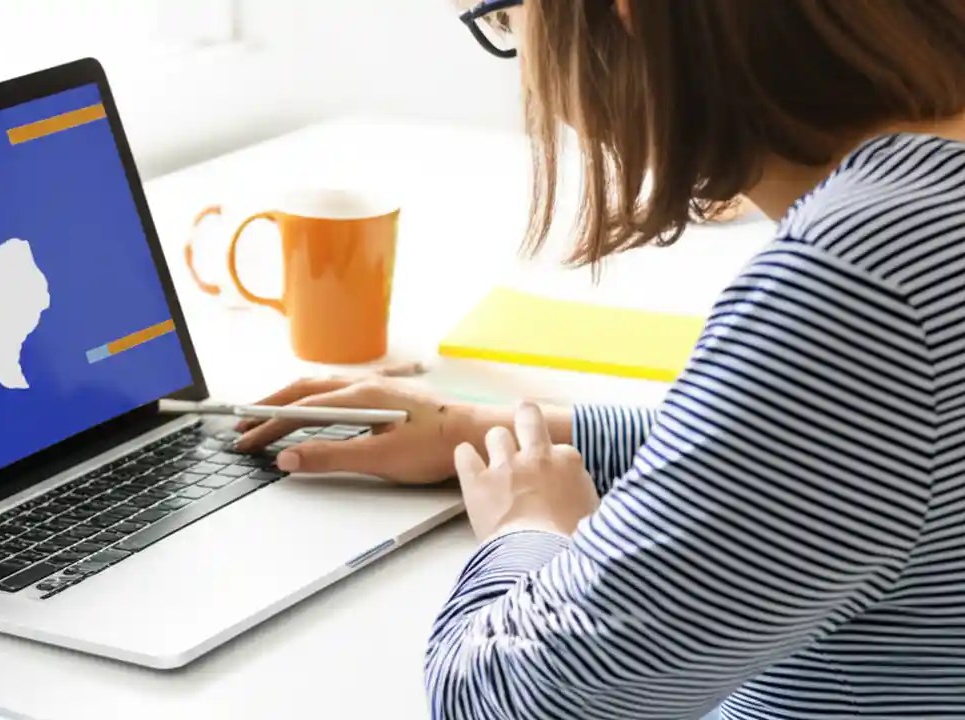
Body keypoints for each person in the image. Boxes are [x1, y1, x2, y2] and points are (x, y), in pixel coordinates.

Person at [234, 1, 965, 718]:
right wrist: (494, 429)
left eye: (501, 19)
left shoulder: (858, 286)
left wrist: (530, 525)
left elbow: (510, 699)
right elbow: (831, 454)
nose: (527, 76)